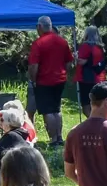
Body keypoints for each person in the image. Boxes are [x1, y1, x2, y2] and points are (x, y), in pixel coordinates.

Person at [26, 16, 75, 146]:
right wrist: (64, 72)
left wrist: (33, 79)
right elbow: (69, 63)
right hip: (60, 80)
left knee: (47, 111)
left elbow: (33, 66)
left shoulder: (38, 43)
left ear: (40, 27)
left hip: (44, 80)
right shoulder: (62, 41)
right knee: (57, 109)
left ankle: (53, 139)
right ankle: (59, 137)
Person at [74, 28, 107, 115]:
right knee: (97, 104)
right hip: (99, 78)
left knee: (86, 105)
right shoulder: (100, 47)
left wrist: (74, 57)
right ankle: (99, 120)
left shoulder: (85, 46)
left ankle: (93, 121)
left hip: (86, 79)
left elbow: (81, 61)